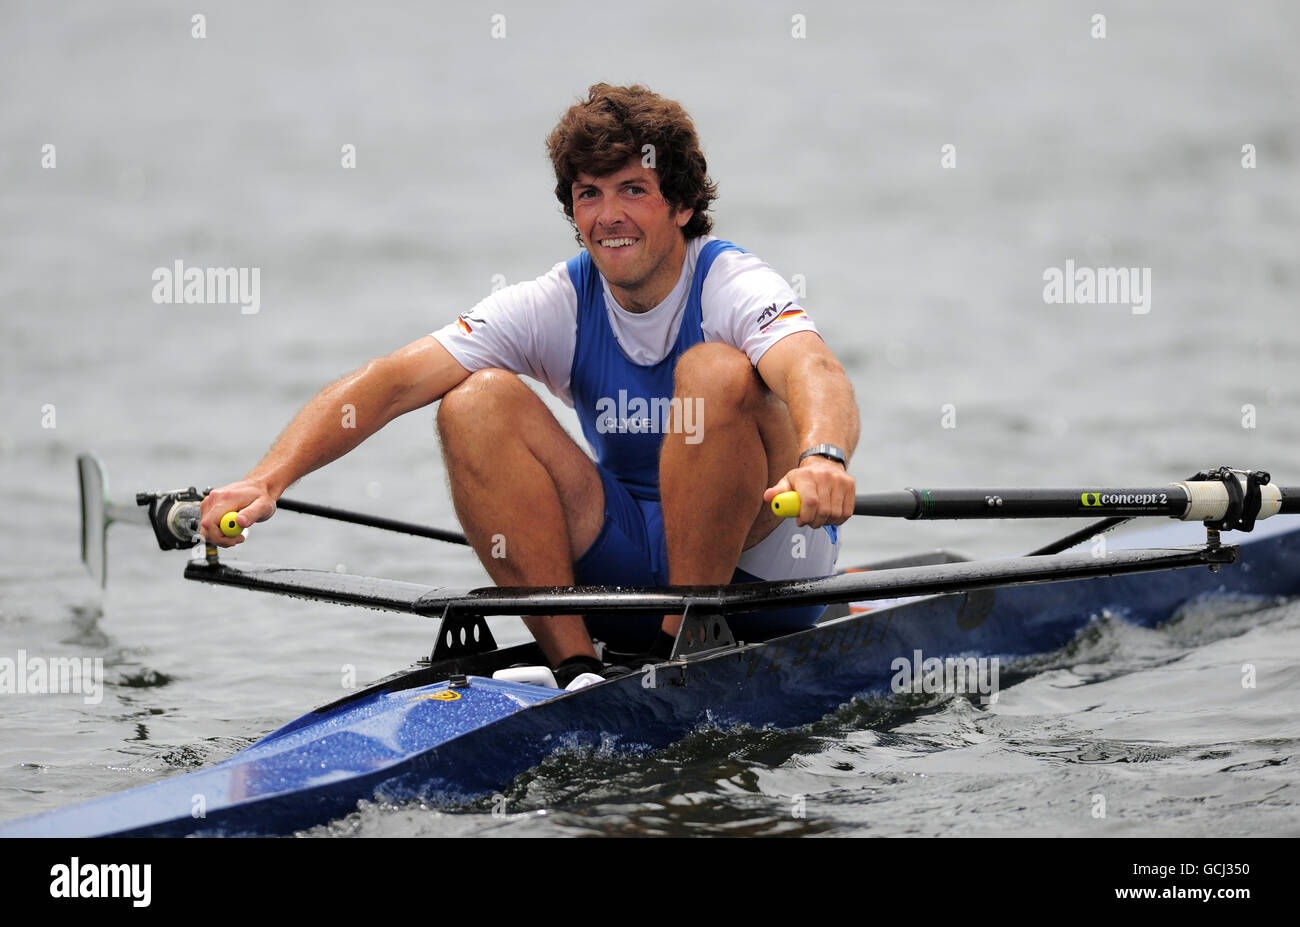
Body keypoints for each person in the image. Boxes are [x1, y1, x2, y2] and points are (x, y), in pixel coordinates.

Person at [200, 83, 859, 686]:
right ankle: (574, 667)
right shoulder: (562, 301)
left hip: (759, 585)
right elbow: (395, 380)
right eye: (589, 194)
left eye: (633, 189)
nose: (608, 216)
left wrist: (823, 456)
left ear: (682, 204)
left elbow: (814, 368)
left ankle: (685, 643)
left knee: (713, 371)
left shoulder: (732, 284)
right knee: (474, 400)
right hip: (630, 576)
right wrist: (269, 478)